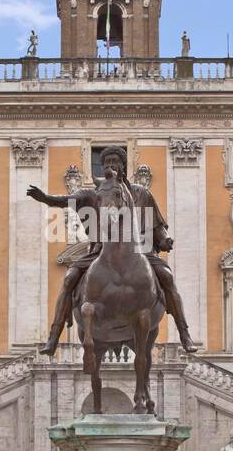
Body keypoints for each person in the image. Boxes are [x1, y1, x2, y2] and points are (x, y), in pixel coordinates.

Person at [28, 145, 199, 354]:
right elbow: (66, 201)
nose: (110, 166)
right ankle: (53, 337)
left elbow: (157, 226)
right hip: (99, 252)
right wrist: (45, 198)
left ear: (123, 166)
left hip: (140, 251)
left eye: (114, 162)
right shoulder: (95, 193)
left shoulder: (141, 193)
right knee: (69, 279)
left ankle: (184, 333)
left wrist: (164, 240)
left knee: (167, 276)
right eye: (106, 163)